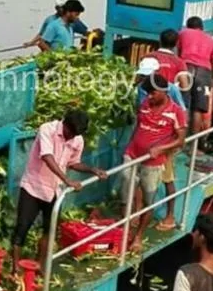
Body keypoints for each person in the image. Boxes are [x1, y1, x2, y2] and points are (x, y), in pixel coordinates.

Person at [11, 110, 106, 271]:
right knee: (22, 226)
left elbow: (74, 163)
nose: (71, 138)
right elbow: (47, 157)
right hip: (33, 187)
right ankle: (15, 267)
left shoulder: (77, 140)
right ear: (64, 124)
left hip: (54, 190)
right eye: (69, 133)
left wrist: (92, 170)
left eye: (75, 135)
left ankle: (39, 265)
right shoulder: (47, 129)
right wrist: (67, 180)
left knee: (49, 229)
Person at [122, 73, 187, 251]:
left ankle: (138, 237)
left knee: (149, 200)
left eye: (152, 94)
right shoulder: (145, 104)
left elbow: (181, 140)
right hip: (133, 155)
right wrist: (130, 145)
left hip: (153, 162)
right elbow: (139, 125)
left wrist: (161, 149)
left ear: (163, 91)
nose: (149, 97)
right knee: (126, 194)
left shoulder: (176, 112)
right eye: (147, 93)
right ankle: (125, 231)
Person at [134, 58, 186, 232]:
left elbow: (180, 114)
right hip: (147, 142)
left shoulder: (170, 90)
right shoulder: (144, 89)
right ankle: (137, 212)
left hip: (165, 143)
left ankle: (170, 216)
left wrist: (167, 143)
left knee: (167, 178)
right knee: (140, 177)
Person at [177, 17, 213, 134]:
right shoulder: (211, 40)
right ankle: (193, 145)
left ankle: (178, 139)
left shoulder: (182, 33)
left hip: (186, 68)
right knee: (198, 109)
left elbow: (178, 54)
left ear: (188, 26)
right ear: (202, 28)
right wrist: (211, 80)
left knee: (181, 105)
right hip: (204, 73)